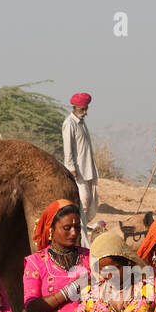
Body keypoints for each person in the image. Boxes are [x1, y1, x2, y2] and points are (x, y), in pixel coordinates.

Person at [62, 92, 99, 226]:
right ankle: (79, 228)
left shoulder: (82, 123)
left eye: (86, 109)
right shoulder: (69, 123)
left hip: (88, 168)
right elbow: (68, 148)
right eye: (82, 109)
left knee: (89, 201)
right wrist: (71, 167)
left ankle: (83, 226)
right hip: (77, 170)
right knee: (83, 200)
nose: (84, 112)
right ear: (75, 108)